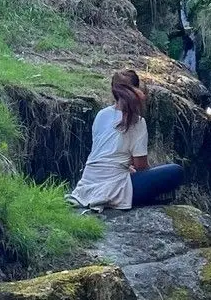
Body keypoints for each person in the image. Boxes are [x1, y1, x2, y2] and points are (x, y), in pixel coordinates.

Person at [67, 70, 185, 210]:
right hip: (116, 187)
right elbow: (140, 166)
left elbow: (104, 154)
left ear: (113, 91)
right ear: (136, 89)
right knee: (176, 171)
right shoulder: (138, 122)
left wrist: (126, 168)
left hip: (87, 183)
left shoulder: (101, 114)